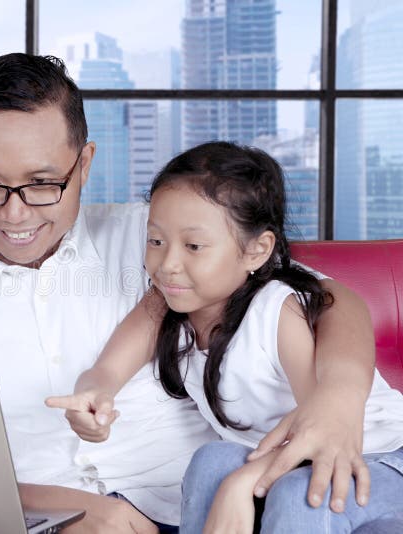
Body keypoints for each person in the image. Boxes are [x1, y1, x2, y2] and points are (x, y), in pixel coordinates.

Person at [0, 53, 378, 533]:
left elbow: (329, 301)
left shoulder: (158, 236)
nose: (15, 214)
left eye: (43, 184)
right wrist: (75, 509)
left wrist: (337, 399)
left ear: (84, 164)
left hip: (198, 505)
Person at [47, 141, 403, 533]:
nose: (168, 264)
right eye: (156, 241)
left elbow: (316, 432)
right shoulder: (166, 303)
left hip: (376, 458)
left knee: (294, 495)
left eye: (194, 246)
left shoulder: (277, 312)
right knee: (211, 462)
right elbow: (107, 371)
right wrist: (93, 397)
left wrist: (244, 481)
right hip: (284, 460)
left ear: (256, 251)